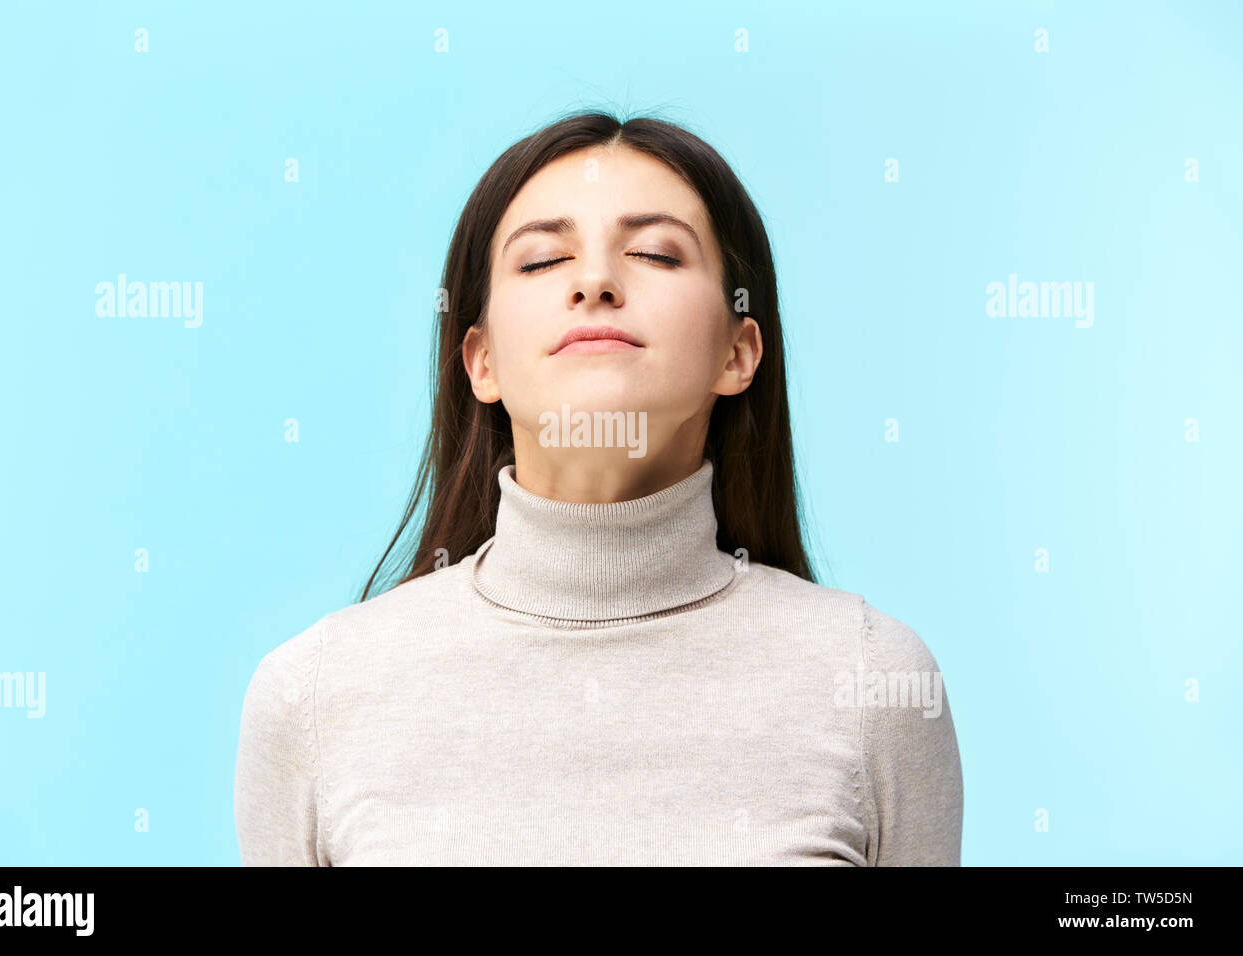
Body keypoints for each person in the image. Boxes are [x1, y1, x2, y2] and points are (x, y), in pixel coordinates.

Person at [233, 110, 963, 865]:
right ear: (480, 363)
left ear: (739, 353)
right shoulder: (315, 694)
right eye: (543, 261)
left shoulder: (874, 680)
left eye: (654, 252)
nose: (595, 282)